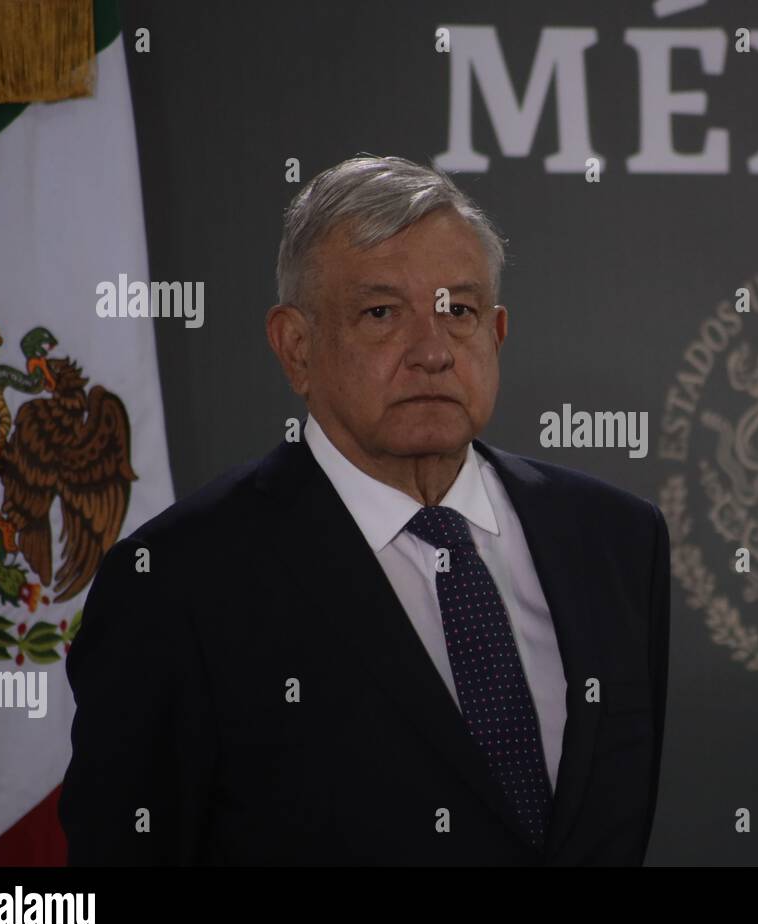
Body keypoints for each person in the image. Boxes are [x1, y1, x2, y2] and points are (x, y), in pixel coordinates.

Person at [58, 156, 671, 865]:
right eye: (382, 314)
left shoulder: (617, 543)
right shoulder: (176, 584)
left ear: (496, 332)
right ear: (296, 348)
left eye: (459, 311)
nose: (433, 352)